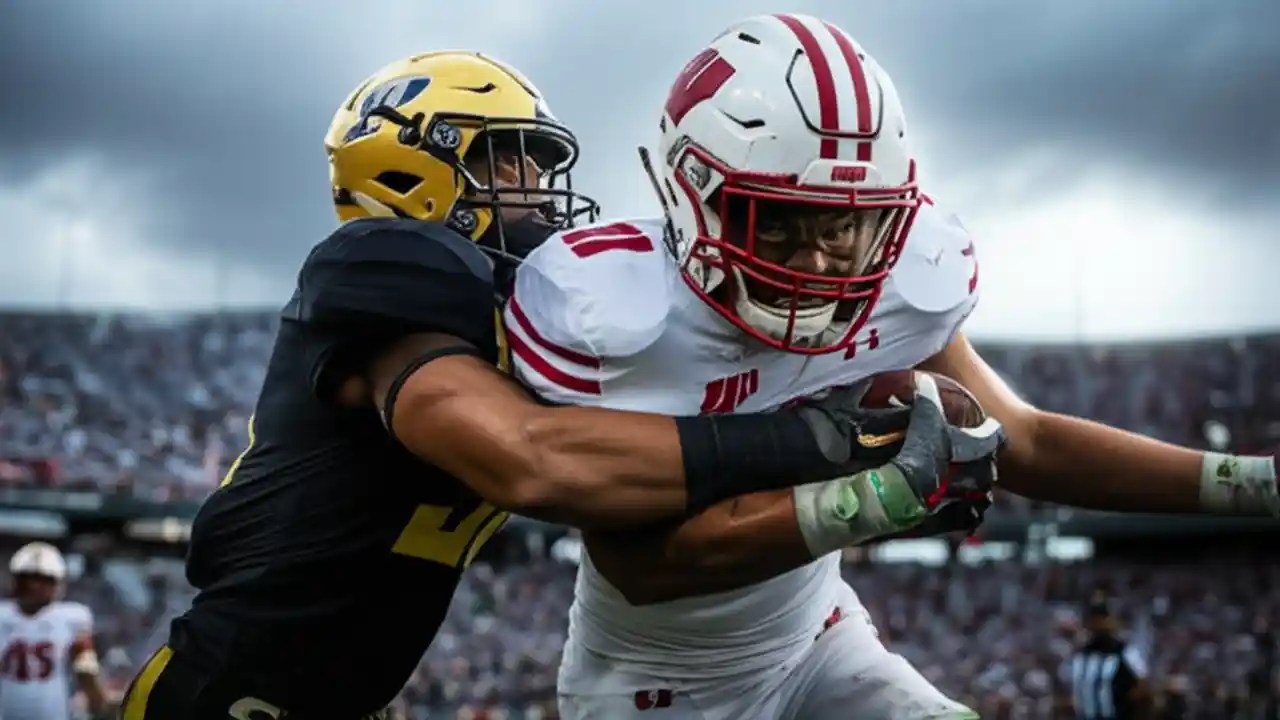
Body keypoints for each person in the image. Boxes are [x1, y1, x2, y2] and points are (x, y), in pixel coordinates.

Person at [119, 50, 983, 720]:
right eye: (509, 164)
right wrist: (817, 444)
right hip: (228, 692)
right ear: (407, 170)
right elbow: (538, 462)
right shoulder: (384, 264)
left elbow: (629, 457)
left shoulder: (507, 313)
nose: (537, 191)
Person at [499, 13, 1280, 719]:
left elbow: (1027, 443)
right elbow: (642, 566)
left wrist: (1252, 483)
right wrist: (875, 500)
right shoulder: (613, 312)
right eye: (778, 221)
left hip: (820, 637)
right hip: (654, 684)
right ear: (688, 190)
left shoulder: (903, 286)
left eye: (846, 227)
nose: (816, 261)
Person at [0, 542, 107, 720]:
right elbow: (86, 670)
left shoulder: (72, 617)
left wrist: (98, 705)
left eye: (43, 580)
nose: (33, 586)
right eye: (28, 579)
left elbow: (85, 667)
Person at [1068, 591, 1152, 719]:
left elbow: (1142, 687)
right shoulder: (1081, 654)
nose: (1098, 624)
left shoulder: (1124, 652)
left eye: (1102, 618)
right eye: (1094, 619)